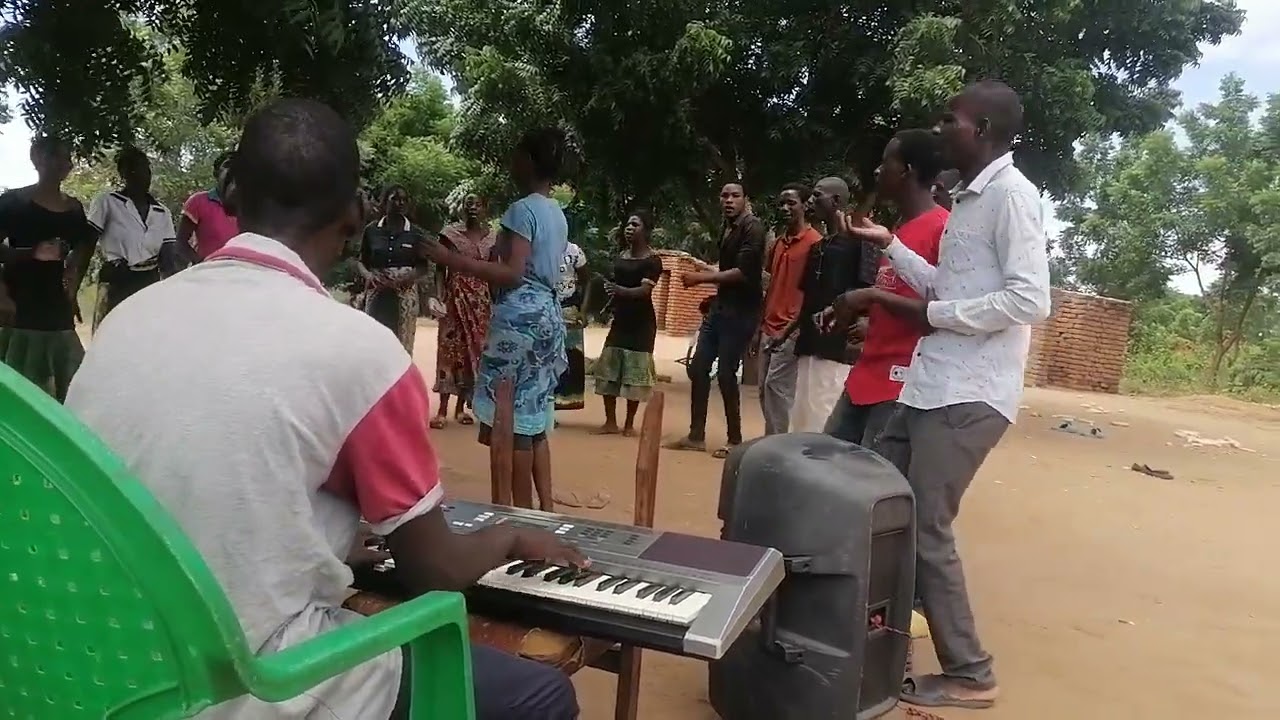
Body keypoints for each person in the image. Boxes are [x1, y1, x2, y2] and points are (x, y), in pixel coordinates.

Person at [65, 98, 583, 720]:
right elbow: (437, 569)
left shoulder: (126, 321)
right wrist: (515, 533)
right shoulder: (361, 350)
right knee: (540, 696)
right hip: (245, 681)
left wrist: (316, 544)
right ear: (356, 213)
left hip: (111, 669)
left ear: (231, 194)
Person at [835, 80, 1051, 710]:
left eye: (949, 120)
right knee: (885, 514)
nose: (940, 130)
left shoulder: (1012, 196)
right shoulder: (970, 203)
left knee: (925, 527)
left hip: (968, 394)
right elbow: (944, 287)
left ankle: (970, 671)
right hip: (931, 386)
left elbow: (1029, 299)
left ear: (981, 129)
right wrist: (890, 248)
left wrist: (940, 316)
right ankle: (879, 641)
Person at [419, 128, 570, 512]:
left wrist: (451, 260)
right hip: (547, 318)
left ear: (531, 161)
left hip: (520, 317)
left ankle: (514, 513)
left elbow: (514, 273)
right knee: (533, 418)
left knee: (511, 421)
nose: (511, 162)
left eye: (517, 155)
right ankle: (544, 511)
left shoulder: (522, 210)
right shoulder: (555, 212)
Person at [825, 129, 948, 447]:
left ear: (907, 170)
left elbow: (941, 310)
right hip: (867, 374)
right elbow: (900, 292)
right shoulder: (898, 230)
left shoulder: (943, 229)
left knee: (871, 483)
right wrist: (863, 317)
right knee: (829, 467)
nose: (878, 170)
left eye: (886, 162)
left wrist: (867, 296)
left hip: (900, 386)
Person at [669, 182, 765, 459]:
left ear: (745, 199)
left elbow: (741, 273)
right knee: (698, 367)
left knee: (725, 373)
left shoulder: (753, 228)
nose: (729, 200)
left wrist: (701, 278)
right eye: (724, 195)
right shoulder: (728, 228)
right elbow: (726, 271)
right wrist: (710, 277)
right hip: (720, 309)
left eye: (735, 196)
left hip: (741, 313)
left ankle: (735, 440)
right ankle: (696, 435)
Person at [0, 136, 96, 401]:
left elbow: (85, 243)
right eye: (57, 157)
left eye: (67, 158)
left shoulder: (73, 208)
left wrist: (73, 278)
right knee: (20, 391)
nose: (65, 164)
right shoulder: (12, 203)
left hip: (57, 308)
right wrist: (3, 294)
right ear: (38, 160)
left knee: (67, 390)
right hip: (19, 307)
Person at [787, 176, 868, 433]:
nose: (811, 200)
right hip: (810, 343)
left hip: (836, 346)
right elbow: (808, 299)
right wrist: (789, 334)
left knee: (825, 414)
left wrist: (862, 330)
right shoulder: (817, 247)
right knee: (802, 413)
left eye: (817, 195)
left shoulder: (859, 244)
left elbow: (868, 290)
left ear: (836, 201)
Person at [87, 146, 179, 330]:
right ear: (124, 174)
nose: (143, 175)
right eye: (135, 169)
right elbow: (87, 244)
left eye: (146, 169)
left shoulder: (161, 212)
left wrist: (173, 292)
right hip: (116, 281)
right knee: (110, 334)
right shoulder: (107, 202)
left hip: (148, 283)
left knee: (143, 336)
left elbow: (168, 259)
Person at [592, 210, 664, 436]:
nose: (629, 228)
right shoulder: (621, 257)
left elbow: (644, 291)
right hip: (621, 319)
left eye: (635, 224)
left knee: (634, 371)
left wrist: (618, 290)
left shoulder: (653, 261)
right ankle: (610, 421)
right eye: (628, 224)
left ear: (647, 230)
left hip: (641, 323)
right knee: (609, 367)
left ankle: (629, 424)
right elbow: (614, 287)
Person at [756, 183, 820, 436]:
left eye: (791, 203)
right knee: (764, 389)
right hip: (768, 326)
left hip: (791, 328)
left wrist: (795, 327)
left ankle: (778, 444)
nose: (785, 208)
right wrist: (758, 326)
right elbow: (770, 285)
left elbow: (814, 292)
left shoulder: (815, 243)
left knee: (777, 388)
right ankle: (772, 440)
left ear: (805, 206)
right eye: (781, 203)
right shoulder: (778, 243)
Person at [431, 193, 495, 429]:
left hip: (480, 303)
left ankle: (460, 409)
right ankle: (441, 410)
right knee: (449, 351)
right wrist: (440, 297)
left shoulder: (492, 238)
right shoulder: (450, 235)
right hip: (454, 298)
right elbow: (439, 269)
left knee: (472, 354)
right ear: (462, 209)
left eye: (477, 204)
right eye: (468, 204)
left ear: (485, 208)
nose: (472, 208)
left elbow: (495, 272)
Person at [357, 186, 427, 353]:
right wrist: (368, 276)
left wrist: (410, 276)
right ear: (384, 202)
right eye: (394, 198)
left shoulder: (415, 233)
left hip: (404, 293)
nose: (399, 203)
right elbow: (361, 261)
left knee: (402, 343)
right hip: (377, 292)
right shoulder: (372, 230)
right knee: (374, 340)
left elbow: (423, 266)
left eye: (403, 199)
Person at [178, 150, 240, 263]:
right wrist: (200, 263)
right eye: (227, 165)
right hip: (206, 273)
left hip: (238, 271)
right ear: (216, 173)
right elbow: (181, 241)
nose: (232, 170)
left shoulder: (248, 206)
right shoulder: (198, 201)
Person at [553, 239, 590, 411]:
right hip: (545, 307)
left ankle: (562, 401)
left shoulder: (574, 251)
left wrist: (583, 310)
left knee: (570, 355)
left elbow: (586, 281)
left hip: (569, 309)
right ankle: (546, 405)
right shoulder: (536, 248)